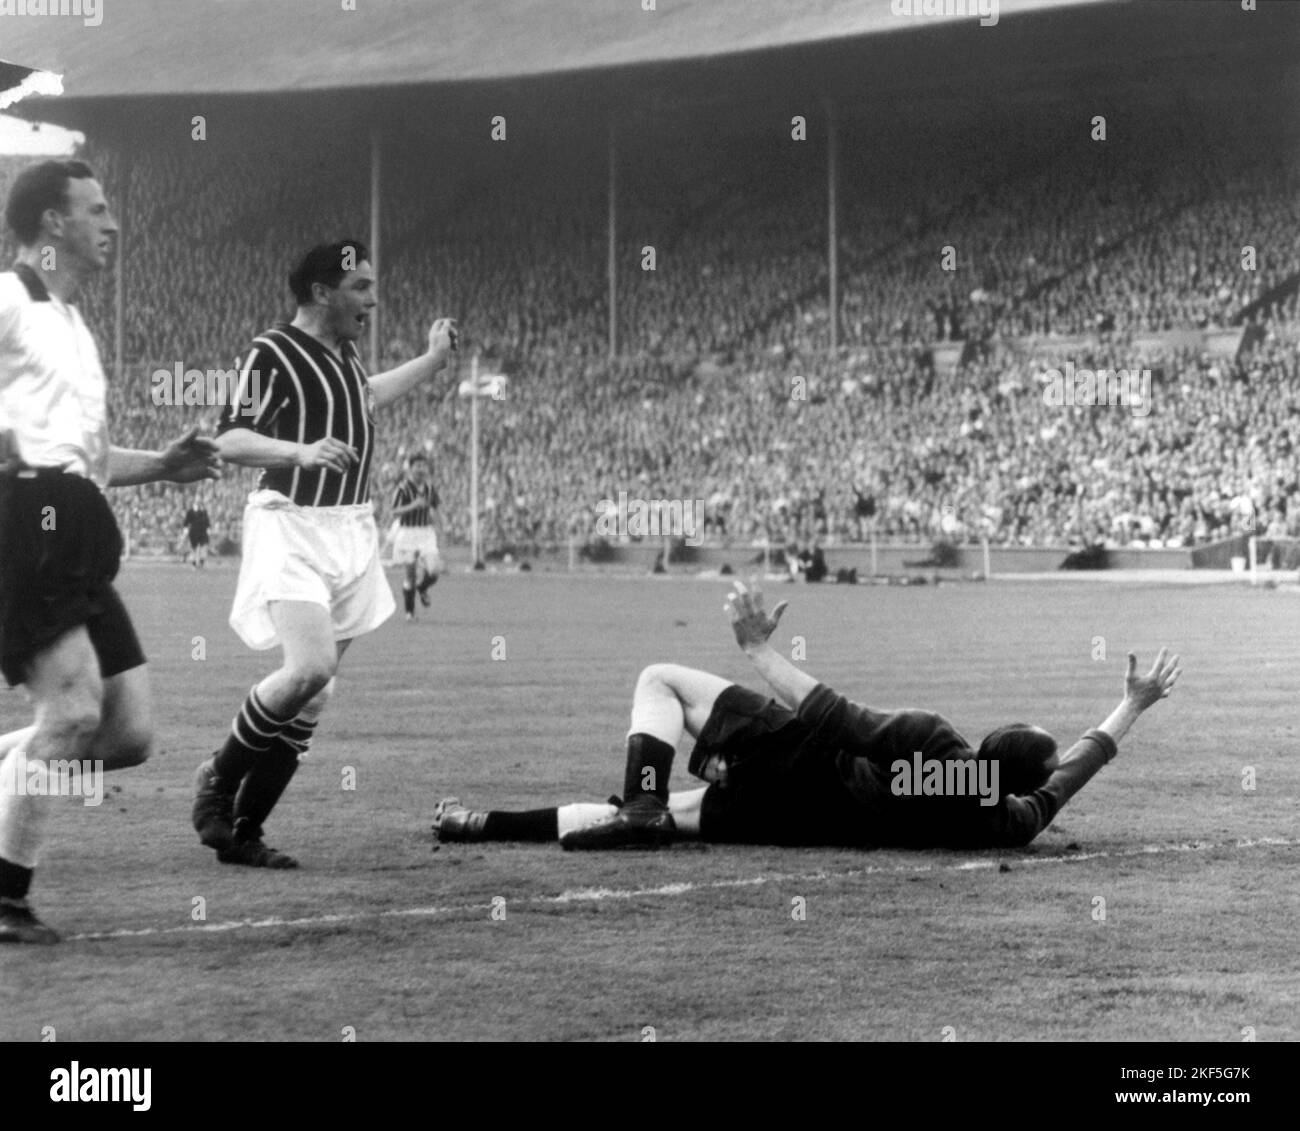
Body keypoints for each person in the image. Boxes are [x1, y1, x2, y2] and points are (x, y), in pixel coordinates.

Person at [434, 581, 1179, 851]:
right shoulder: (1002, 821)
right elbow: (1073, 773)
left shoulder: (939, 742)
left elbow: (836, 715)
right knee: (668, 818)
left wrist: (759, 649)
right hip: (795, 821)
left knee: (659, 678)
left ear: (995, 740)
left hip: (796, 762)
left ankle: (636, 802)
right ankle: (483, 824)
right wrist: (1131, 707)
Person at [0, 159, 221, 943]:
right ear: (53, 223)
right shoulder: (9, 299)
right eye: (95, 209)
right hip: (28, 513)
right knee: (71, 709)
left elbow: (86, 460)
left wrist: (163, 462)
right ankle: (5, 899)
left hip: (78, 514)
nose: (112, 222)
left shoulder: (74, 325)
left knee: (124, 734)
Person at [191, 239, 457, 868]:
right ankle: (217, 784)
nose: (373, 297)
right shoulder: (272, 350)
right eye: (361, 286)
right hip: (291, 522)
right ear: (320, 292)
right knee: (308, 667)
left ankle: (245, 832)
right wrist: (299, 452)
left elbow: (367, 395)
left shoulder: (346, 356)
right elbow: (228, 436)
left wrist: (432, 360)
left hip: (352, 527)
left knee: (315, 694)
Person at [390, 452, 443, 620]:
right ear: (411, 468)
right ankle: (409, 613)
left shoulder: (429, 489)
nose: (421, 469)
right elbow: (394, 512)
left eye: (423, 466)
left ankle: (423, 587)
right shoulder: (402, 489)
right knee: (410, 573)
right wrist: (413, 505)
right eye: (417, 466)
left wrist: (441, 529)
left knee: (434, 570)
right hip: (407, 533)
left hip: (426, 532)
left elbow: (435, 509)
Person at [182, 492, 211, 568]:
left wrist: (208, 528)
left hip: (203, 531)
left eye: (200, 498)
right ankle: (194, 563)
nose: (198, 500)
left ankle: (201, 562)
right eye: (197, 498)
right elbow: (186, 522)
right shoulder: (190, 511)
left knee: (203, 547)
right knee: (193, 548)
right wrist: (185, 530)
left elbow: (207, 521)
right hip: (194, 532)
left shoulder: (204, 511)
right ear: (195, 500)